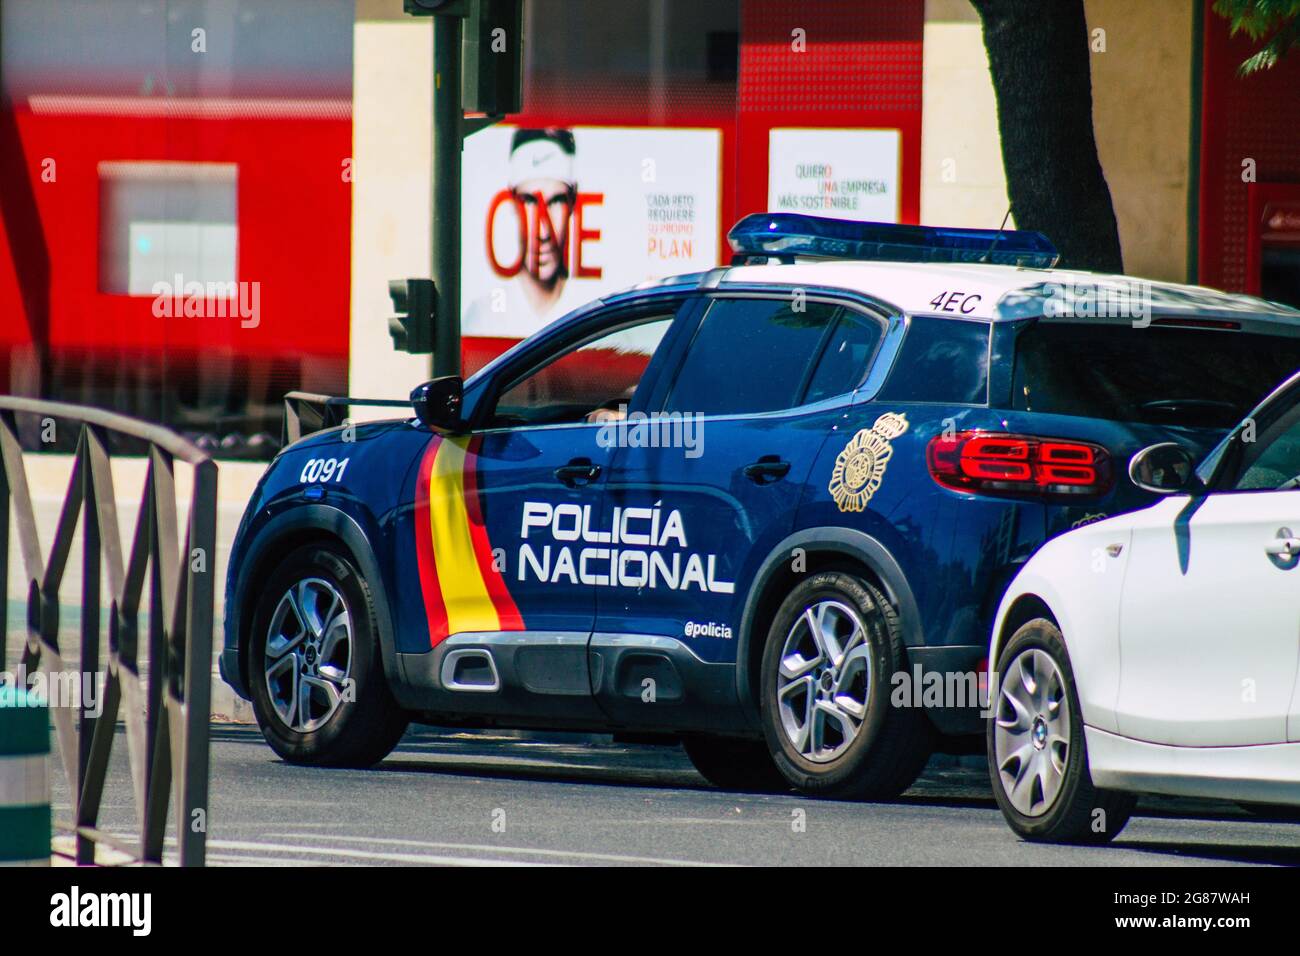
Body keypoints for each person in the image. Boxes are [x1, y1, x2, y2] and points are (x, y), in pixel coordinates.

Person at [464, 127, 579, 340]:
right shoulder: (483, 319)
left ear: (573, 201)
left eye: (556, 201)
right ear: (511, 203)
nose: (543, 232)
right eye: (529, 201)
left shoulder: (592, 313)